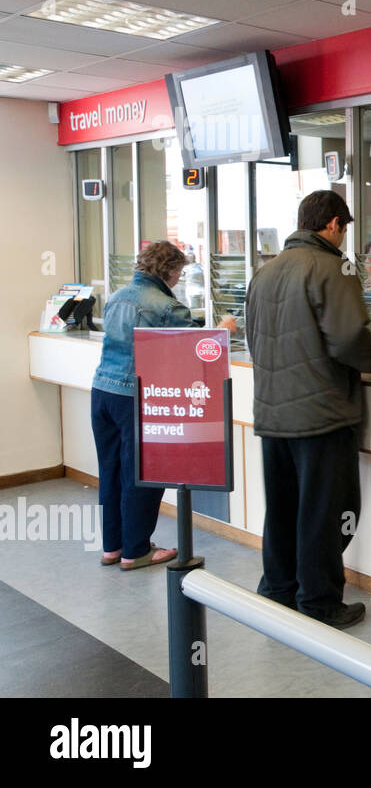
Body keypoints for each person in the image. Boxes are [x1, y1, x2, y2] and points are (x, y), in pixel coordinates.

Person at [244, 190, 371, 629]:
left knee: (283, 508)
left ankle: (277, 590)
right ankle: (320, 602)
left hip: (272, 414)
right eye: (344, 227)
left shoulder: (265, 271)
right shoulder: (334, 268)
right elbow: (351, 340)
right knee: (324, 512)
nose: (344, 236)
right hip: (321, 415)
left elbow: (255, 341)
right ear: (333, 224)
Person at [90, 241, 237, 570]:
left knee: (110, 473)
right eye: (180, 272)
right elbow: (196, 349)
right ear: (171, 271)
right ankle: (136, 550)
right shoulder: (166, 305)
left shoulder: (117, 296)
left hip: (102, 392)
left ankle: (113, 547)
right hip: (135, 399)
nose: (179, 278)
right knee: (142, 472)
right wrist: (223, 331)